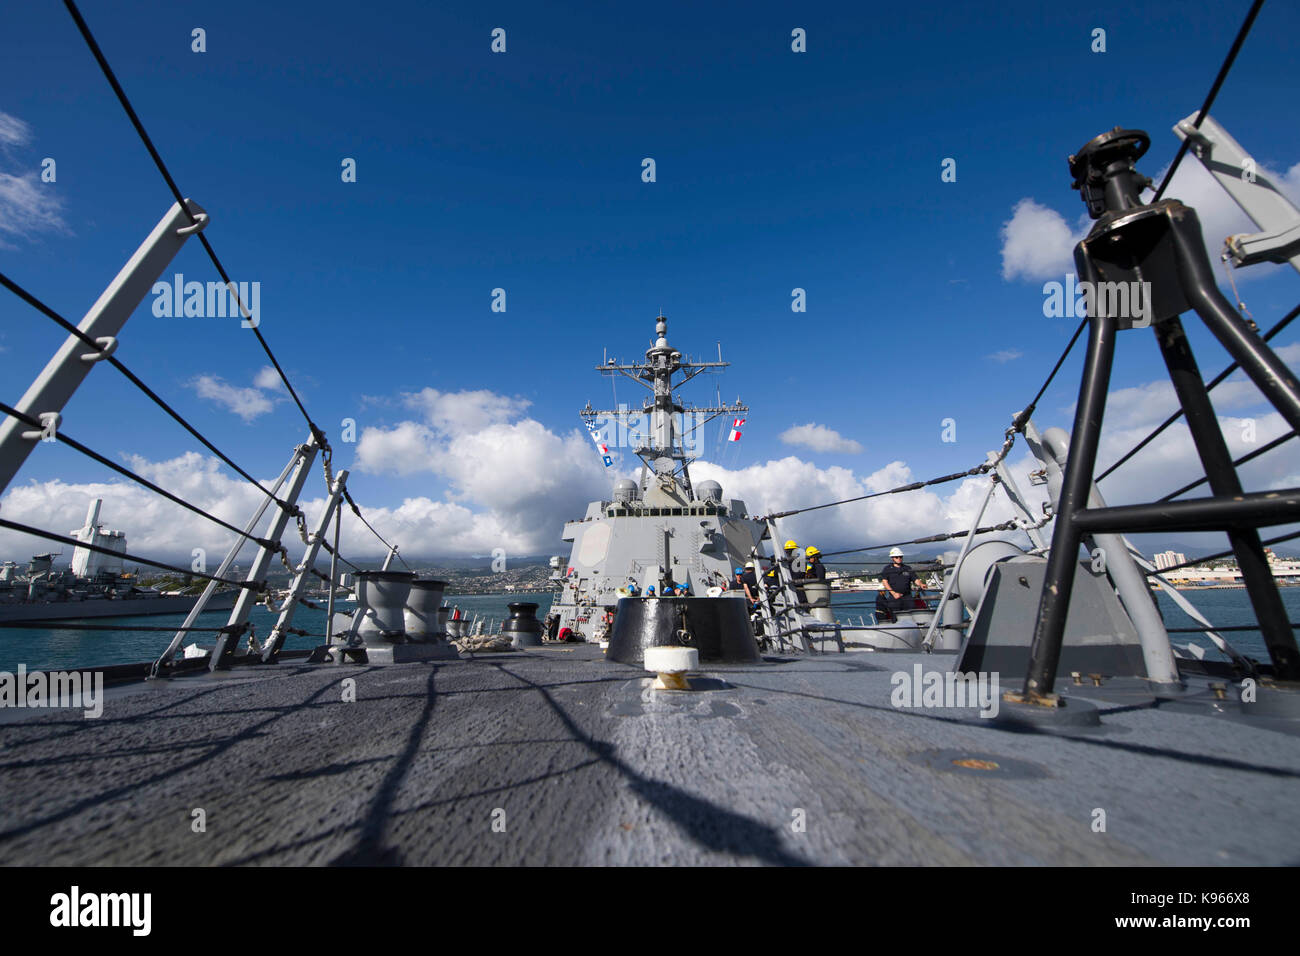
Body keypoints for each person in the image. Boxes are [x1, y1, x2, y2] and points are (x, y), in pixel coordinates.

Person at [876, 547, 917, 622]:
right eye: (897, 557)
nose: (899, 558)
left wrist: (921, 584)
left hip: (907, 598)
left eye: (900, 557)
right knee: (895, 618)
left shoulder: (907, 568)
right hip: (894, 599)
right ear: (892, 558)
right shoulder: (887, 569)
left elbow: (915, 579)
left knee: (911, 617)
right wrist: (894, 593)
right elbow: (885, 582)